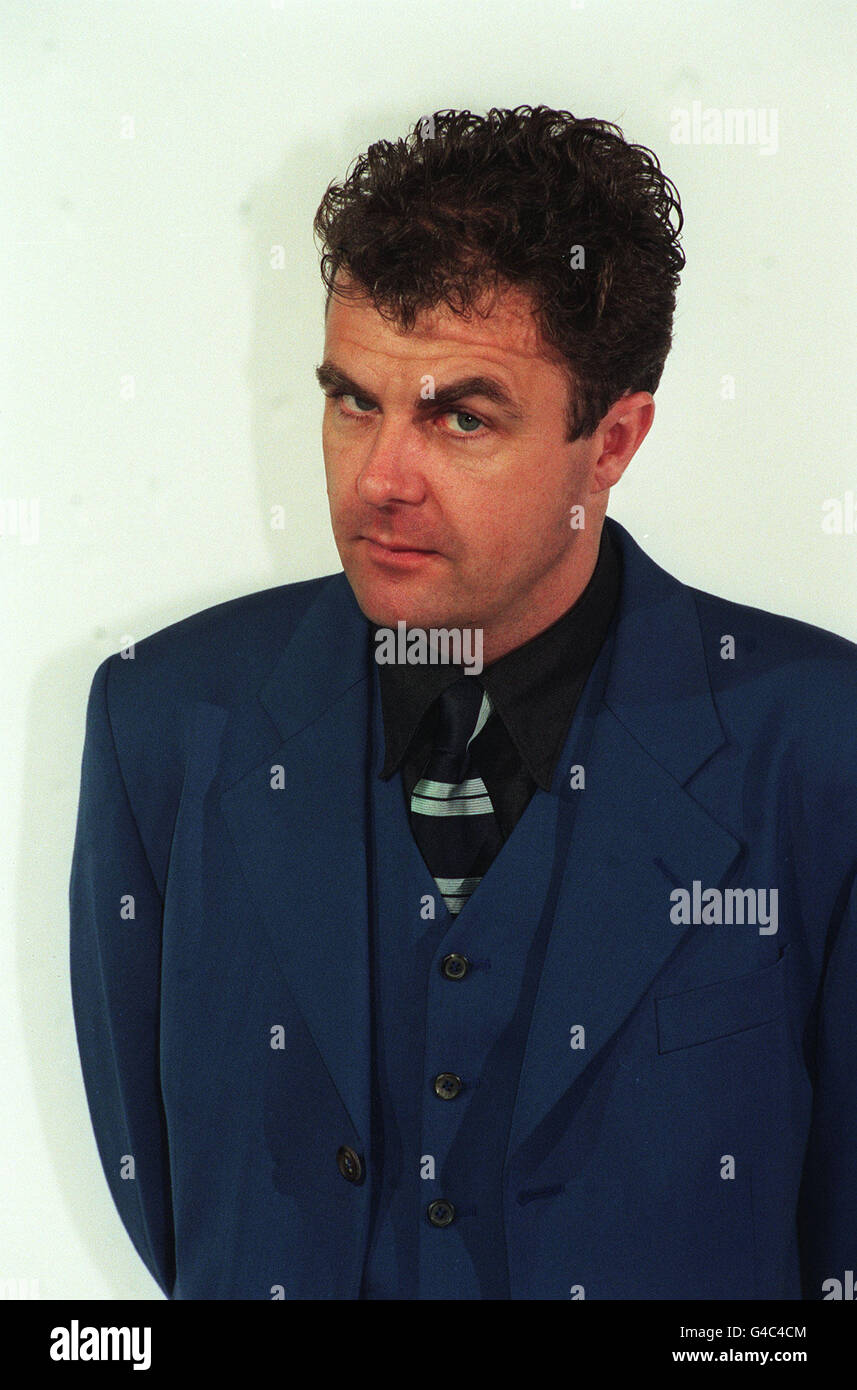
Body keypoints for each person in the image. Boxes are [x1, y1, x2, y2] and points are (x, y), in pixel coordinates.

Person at [69, 105, 857, 1300]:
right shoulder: (163, 722)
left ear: (612, 441)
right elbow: (177, 1203)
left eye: (459, 415)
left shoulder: (818, 746)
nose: (380, 481)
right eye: (352, 401)